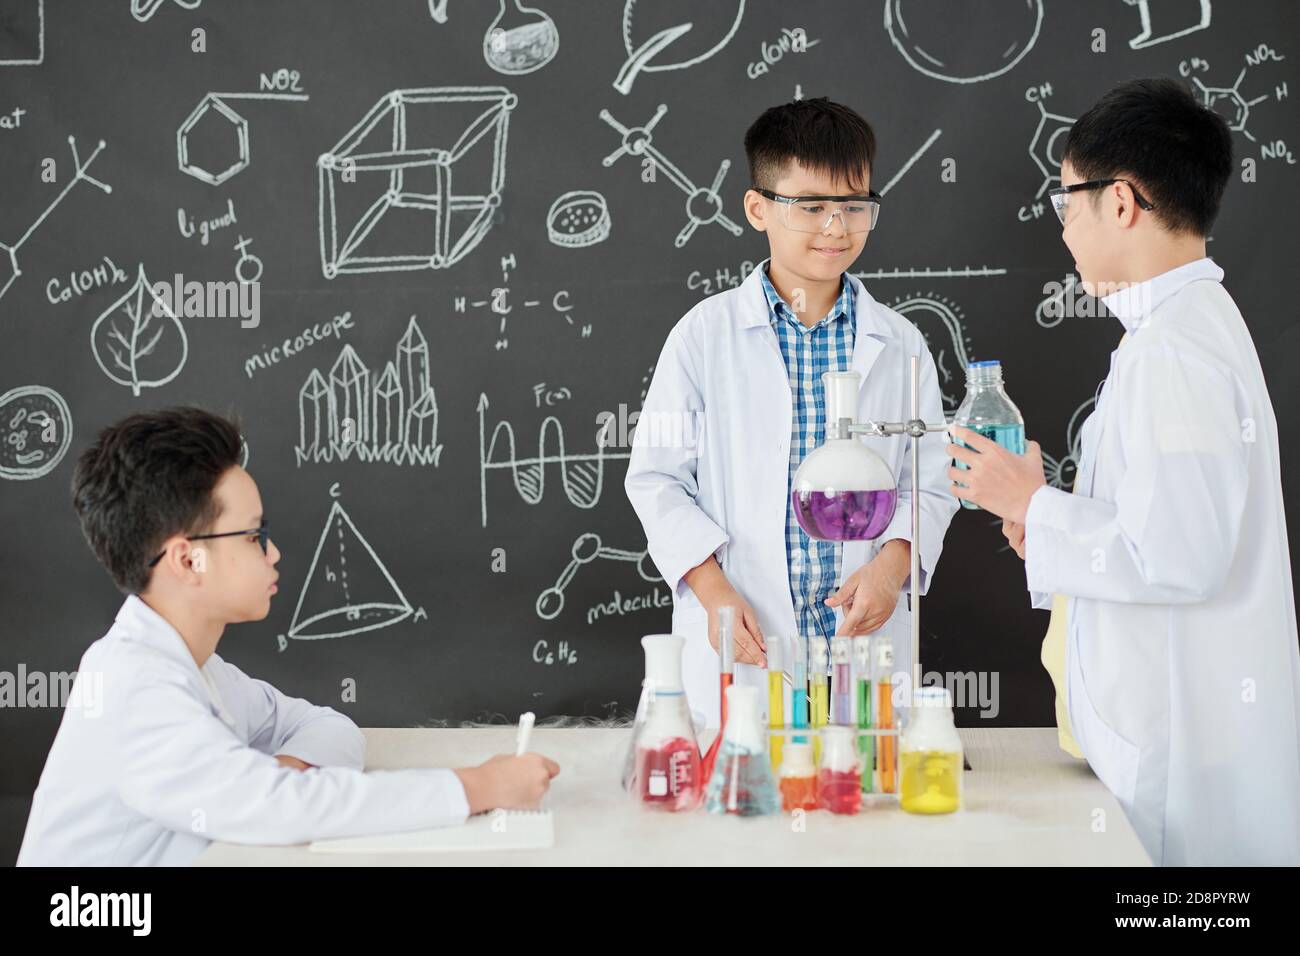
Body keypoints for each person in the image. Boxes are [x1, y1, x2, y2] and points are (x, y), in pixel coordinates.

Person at [950, 78, 1300, 865]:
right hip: (1173, 751)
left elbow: (1179, 558)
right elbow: (1162, 529)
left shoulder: (1174, 351)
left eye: (1067, 203)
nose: (1064, 230)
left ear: (1120, 202)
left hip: (1185, 776)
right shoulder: (1176, 331)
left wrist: (1037, 506)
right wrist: (1041, 520)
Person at [19, 407, 558, 865]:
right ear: (188, 559)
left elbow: (327, 727)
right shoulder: (134, 686)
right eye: (254, 535)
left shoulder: (200, 669)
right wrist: (481, 787)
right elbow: (285, 810)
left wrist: (279, 779)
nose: (273, 553)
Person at [625, 97, 957, 722]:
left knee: (862, 773)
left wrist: (890, 570)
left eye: (854, 205)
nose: (836, 227)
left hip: (861, 643)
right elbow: (657, 480)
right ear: (758, 209)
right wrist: (714, 592)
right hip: (743, 639)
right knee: (742, 772)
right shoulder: (703, 336)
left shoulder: (901, 343)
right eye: (810, 206)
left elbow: (930, 484)